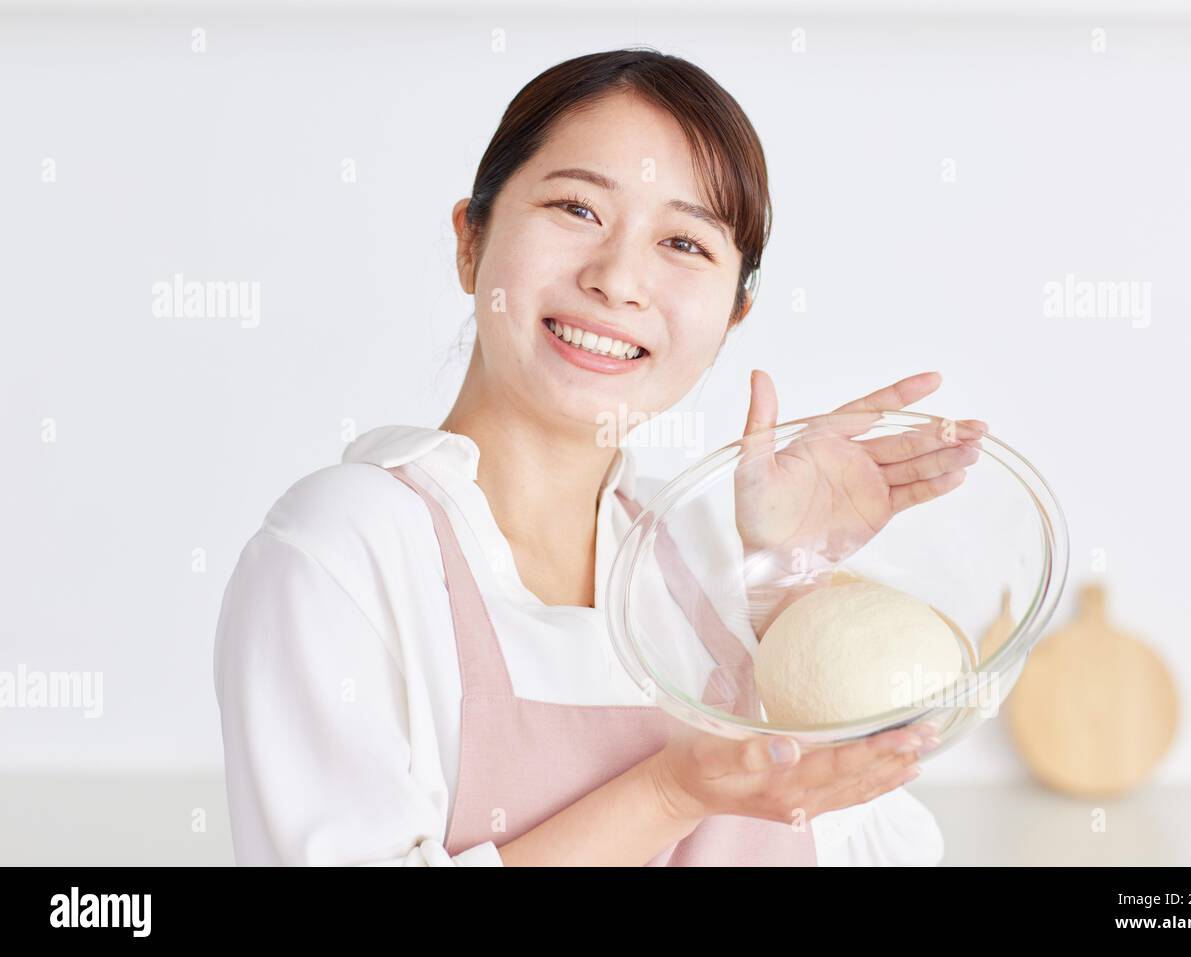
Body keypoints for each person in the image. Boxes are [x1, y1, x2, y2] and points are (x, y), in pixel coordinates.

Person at [213, 48, 987, 866]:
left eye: (685, 243)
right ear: (470, 241)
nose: (619, 280)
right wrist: (669, 791)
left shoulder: (698, 564)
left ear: (733, 314)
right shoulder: (345, 548)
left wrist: (791, 594)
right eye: (578, 209)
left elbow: (880, 851)